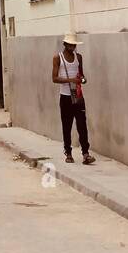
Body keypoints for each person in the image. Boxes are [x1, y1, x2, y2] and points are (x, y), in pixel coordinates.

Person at [52, 33, 96, 165]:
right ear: (65, 44)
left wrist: (82, 79)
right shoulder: (57, 58)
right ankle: (68, 152)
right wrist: (72, 80)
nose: (72, 47)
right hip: (65, 97)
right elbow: (54, 78)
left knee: (82, 125)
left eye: (74, 45)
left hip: (78, 96)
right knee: (67, 125)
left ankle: (85, 153)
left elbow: (81, 75)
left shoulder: (79, 57)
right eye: (70, 45)